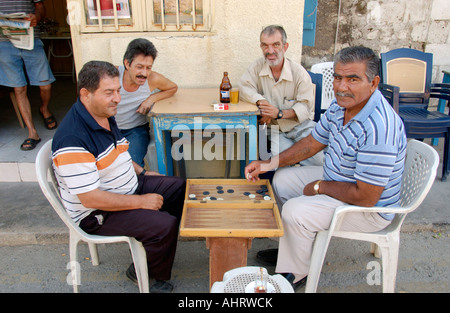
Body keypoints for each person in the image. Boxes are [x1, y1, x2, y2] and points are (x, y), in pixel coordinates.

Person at [244, 46, 407, 291]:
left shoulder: (378, 127)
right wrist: (268, 163)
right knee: (281, 179)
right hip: (342, 179)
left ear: (373, 83)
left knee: (295, 211)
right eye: (338, 77)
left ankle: (298, 273)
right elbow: (311, 143)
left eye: (353, 79)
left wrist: (320, 187)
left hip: (369, 209)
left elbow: (366, 196)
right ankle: (296, 248)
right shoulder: (341, 106)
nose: (342, 87)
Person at [52, 61, 185, 293]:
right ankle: (153, 275)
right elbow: (90, 199)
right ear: (85, 94)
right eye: (109, 92)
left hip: (128, 187)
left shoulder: (103, 113)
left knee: (179, 187)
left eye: (118, 91)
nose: (117, 99)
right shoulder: (72, 139)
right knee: (165, 224)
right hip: (97, 212)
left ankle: (153, 245)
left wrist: (143, 172)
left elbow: (119, 152)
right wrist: (142, 202)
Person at [239, 25, 322, 165]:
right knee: (284, 161)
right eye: (265, 45)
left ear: (285, 46)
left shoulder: (299, 73)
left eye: (276, 45)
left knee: (319, 161)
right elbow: (245, 89)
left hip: (301, 126)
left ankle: (303, 182)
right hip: (275, 130)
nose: (270, 51)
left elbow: (305, 107)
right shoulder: (255, 67)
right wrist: (262, 104)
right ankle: (292, 180)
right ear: (261, 46)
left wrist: (278, 113)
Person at [0, 0, 57, 151]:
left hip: (31, 39)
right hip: (4, 42)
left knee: (45, 84)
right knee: (19, 88)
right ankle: (32, 133)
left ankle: (44, 109)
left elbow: (41, 7)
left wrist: (37, 17)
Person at [116, 38, 177, 167]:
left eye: (148, 67)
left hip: (136, 130)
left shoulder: (152, 78)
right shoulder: (112, 75)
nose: (144, 73)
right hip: (109, 129)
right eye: (139, 67)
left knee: (131, 166)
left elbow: (173, 88)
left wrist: (151, 99)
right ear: (127, 64)